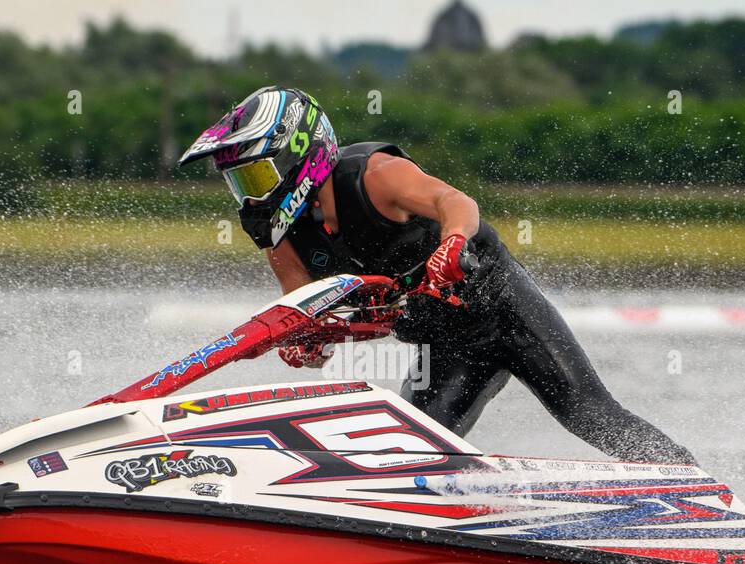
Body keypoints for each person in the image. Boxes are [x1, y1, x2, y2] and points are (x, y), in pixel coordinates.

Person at [178, 86, 695, 465]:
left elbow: (456, 202)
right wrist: (309, 345)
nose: (252, 197)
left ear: (301, 152)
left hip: (504, 313)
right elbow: (303, 306)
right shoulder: (282, 235)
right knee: (413, 455)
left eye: (257, 175)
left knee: (591, 415)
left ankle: (707, 503)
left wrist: (452, 244)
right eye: (239, 182)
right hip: (445, 346)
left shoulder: (376, 175)